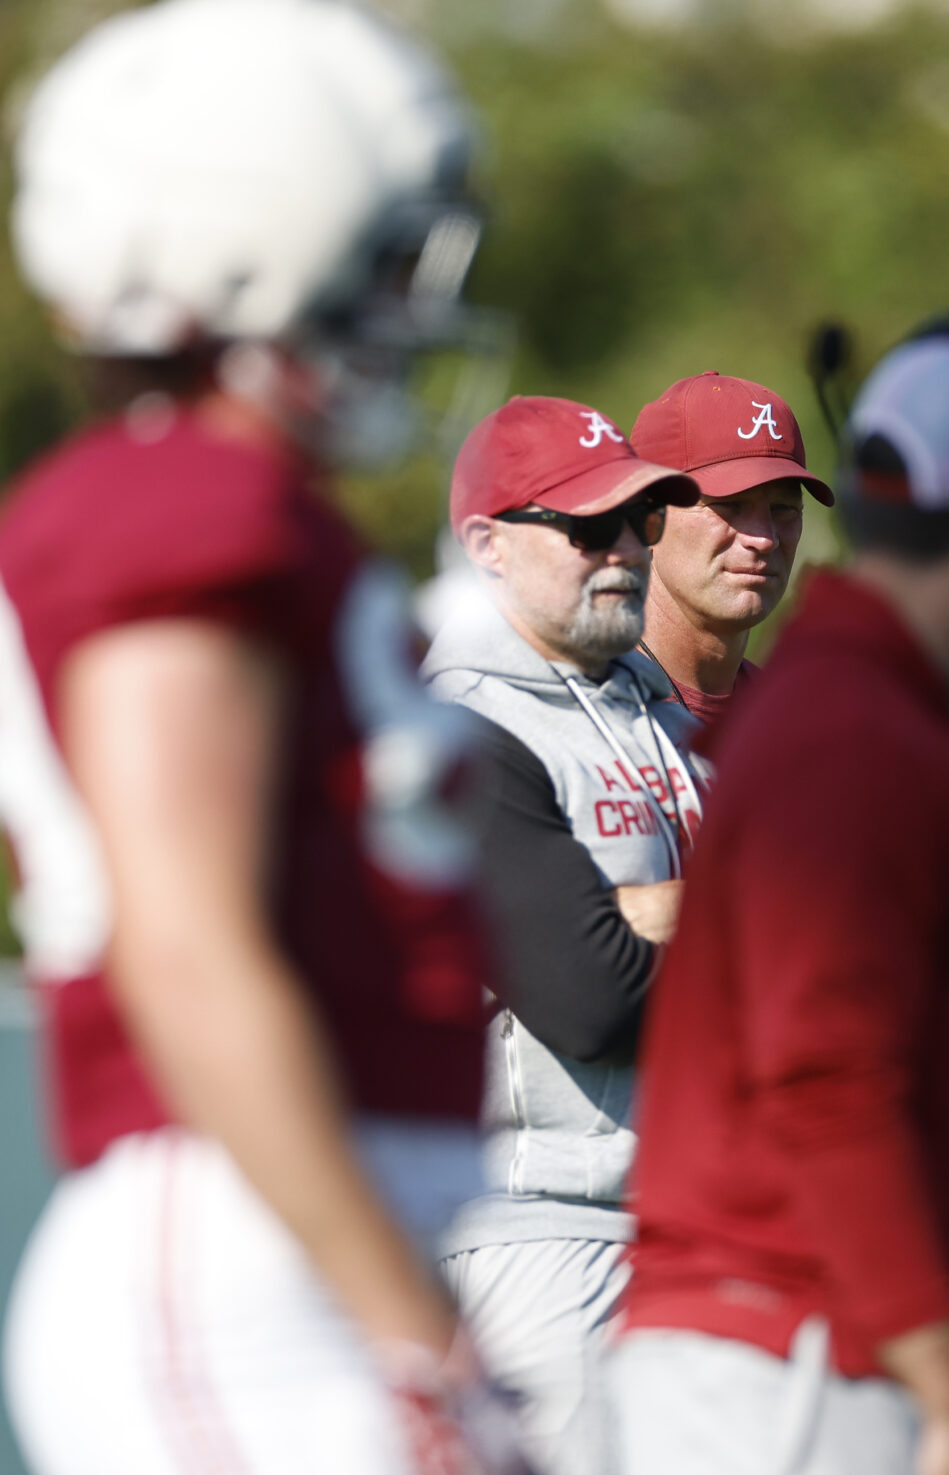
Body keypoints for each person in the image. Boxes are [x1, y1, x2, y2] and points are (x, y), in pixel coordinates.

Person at [0, 2, 523, 1471]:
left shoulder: (260, 512)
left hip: (317, 1220)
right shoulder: (181, 508)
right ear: (259, 241)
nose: (409, 306)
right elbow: (186, 944)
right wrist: (407, 1325)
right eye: (383, 262)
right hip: (249, 1245)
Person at [610, 312, 949, 1475]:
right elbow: (828, 1086)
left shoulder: (899, 717)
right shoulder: (849, 735)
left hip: (864, 1354)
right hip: (804, 1362)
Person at [424, 395, 704, 1474]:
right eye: (587, 526)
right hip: (541, 1234)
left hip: (676, 1230)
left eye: (638, 521)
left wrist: (653, 909)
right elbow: (594, 995)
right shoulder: (462, 723)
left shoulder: (654, 709)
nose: (626, 550)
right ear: (486, 545)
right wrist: (733, 916)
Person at [626, 372, 834, 730]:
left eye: (783, 509)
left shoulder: (800, 727)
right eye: (729, 505)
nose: (765, 538)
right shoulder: (580, 709)